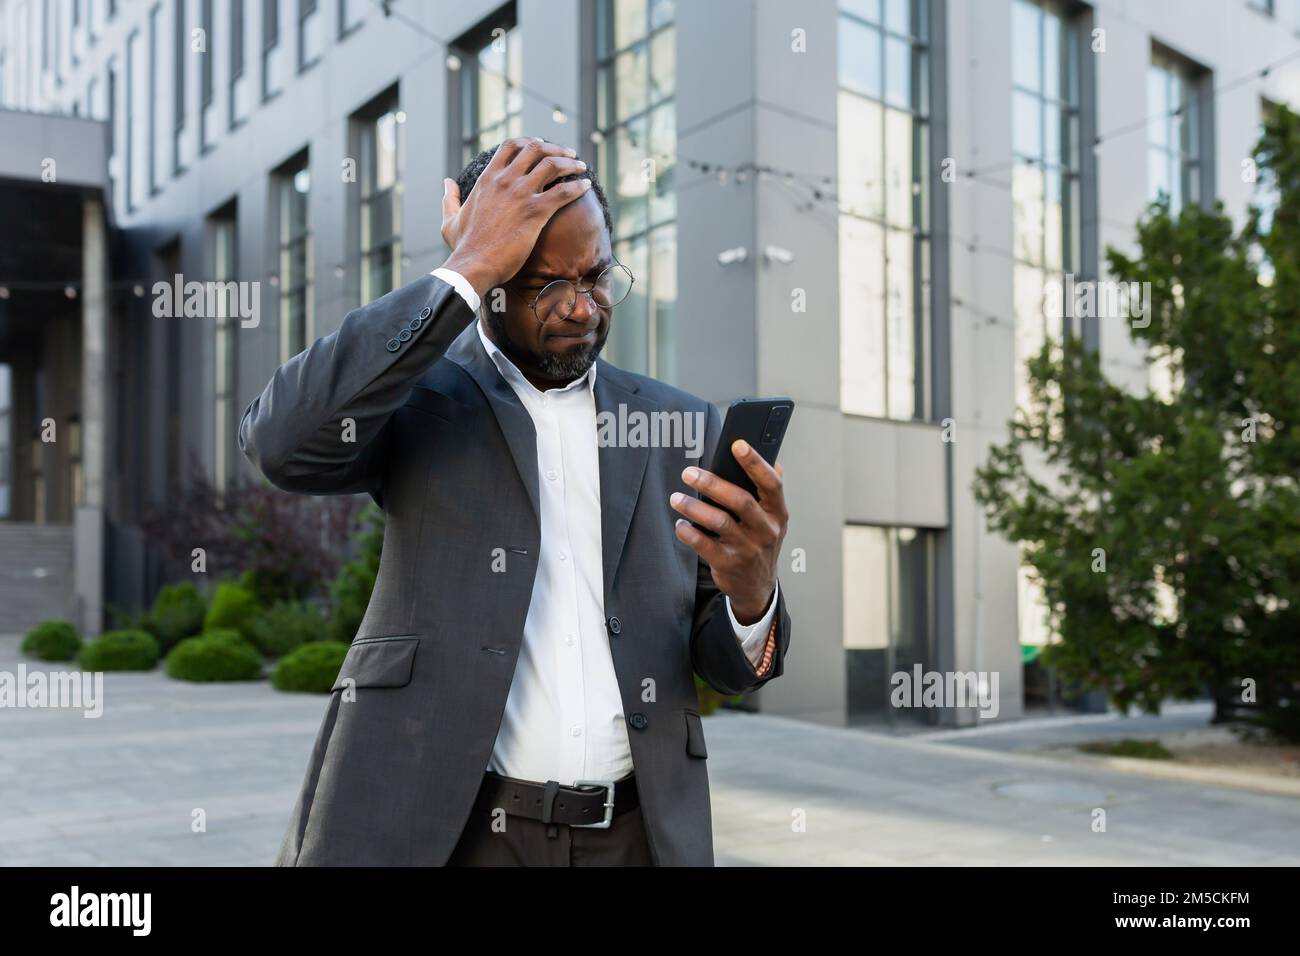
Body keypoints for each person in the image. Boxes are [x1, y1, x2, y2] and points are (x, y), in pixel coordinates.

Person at [240, 137, 792, 866]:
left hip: (638, 837)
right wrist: (460, 269)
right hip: (451, 832)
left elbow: (723, 668)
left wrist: (752, 598)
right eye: (539, 283)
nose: (578, 307)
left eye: (596, 276)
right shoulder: (416, 397)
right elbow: (281, 445)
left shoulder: (678, 426)